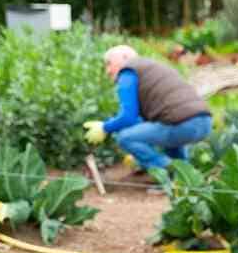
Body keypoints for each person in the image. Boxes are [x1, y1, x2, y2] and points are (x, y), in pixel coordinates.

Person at [83, 45, 212, 177]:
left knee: (125, 138)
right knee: (170, 143)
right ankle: (185, 179)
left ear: (125, 58)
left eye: (109, 63)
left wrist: (105, 127)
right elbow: (142, 121)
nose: (108, 70)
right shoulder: (153, 67)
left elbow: (128, 117)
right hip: (204, 122)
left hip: (183, 124)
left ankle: (170, 171)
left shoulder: (128, 72)